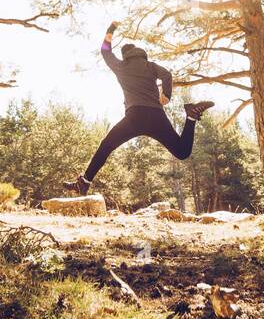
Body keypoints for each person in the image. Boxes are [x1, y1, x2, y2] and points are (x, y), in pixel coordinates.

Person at [64, 21, 214, 195]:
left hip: (135, 117)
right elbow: (167, 75)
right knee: (182, 151)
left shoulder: (121, 66)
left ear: (125, 55)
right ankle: (191, 117)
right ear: (138, 53)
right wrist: (166, 95)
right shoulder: (149, 66)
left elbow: (105, 51)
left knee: (106, 146)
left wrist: (110, 30)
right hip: (156, 115)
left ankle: (84, 182)